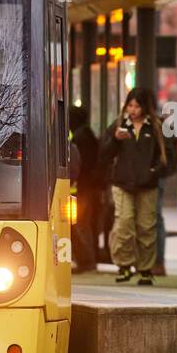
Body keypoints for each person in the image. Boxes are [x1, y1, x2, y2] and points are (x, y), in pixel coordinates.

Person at [101, 87, 175, 286]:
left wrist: (154, 172)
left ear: (146, 107)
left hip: (147, 184)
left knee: (146, 226)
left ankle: (145, 268)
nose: (132, 110)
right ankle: (124, 264)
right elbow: (104, 154)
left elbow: (168, 156)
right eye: (130, 105)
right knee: (124, 222)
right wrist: (116, 140)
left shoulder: (156, 127)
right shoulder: (118, 125)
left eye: (137, 106)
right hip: (122, 182)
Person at [68, 105, 101, 274]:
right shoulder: (86, 133)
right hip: (88, 187)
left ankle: (86, 261)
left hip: (83, 188)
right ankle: (86, 259)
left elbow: (82, 164)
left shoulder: (80, 136)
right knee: (83, 224)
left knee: (81, 224)